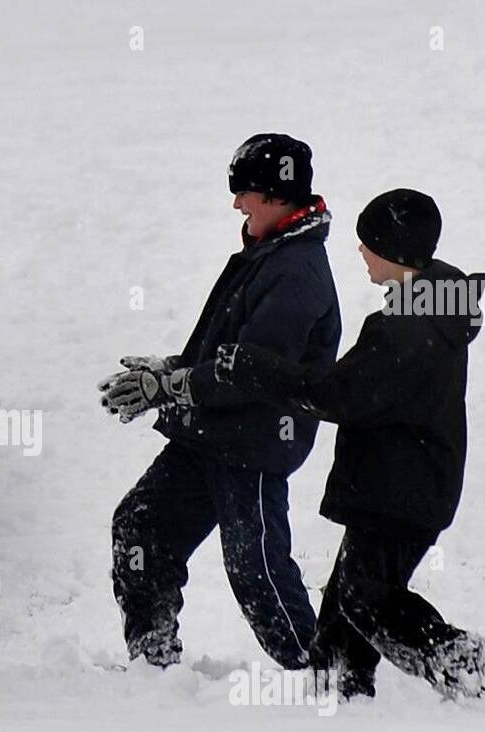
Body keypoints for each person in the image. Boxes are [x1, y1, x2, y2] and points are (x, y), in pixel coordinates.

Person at [215, 188, 485, 700]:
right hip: (405, 485)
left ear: (396, 253)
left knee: (365, 598)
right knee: (345, 606)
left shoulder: (408, 332)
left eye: (369, 243)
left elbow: (338, 396)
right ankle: (337, 688)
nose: (360, 251)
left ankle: (477, 668)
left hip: (402, 491)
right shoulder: (433, 302)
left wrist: (253, 367)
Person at [99, 133, 341, 669]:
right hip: (207, 435)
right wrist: (173, 371)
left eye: (244, 192)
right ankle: (153, 658)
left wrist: (170, 387)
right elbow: (225, 350)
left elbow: (251, 373)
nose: (236, 203)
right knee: (142, 527)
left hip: (250, 445)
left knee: (256, 565)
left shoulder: (296, 272)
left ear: (277, 195)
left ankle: (318, 668)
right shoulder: (266, 254)